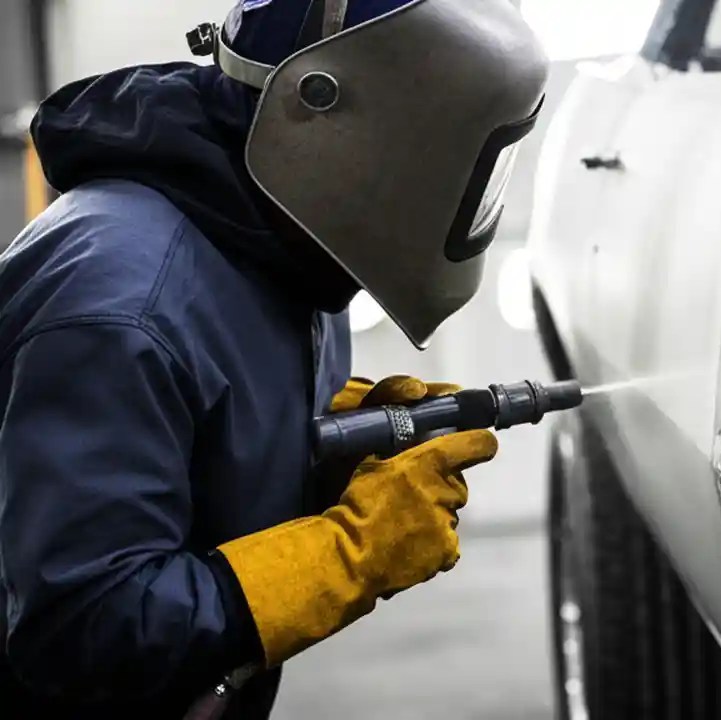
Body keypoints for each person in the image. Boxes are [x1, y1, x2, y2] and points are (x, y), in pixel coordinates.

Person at [0, 1, 547, 718]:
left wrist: (327, 441)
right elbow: (81, 632)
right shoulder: (120, 305)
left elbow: (187, 435)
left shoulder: (284, 242)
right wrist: (347, 553)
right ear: (327, 116)